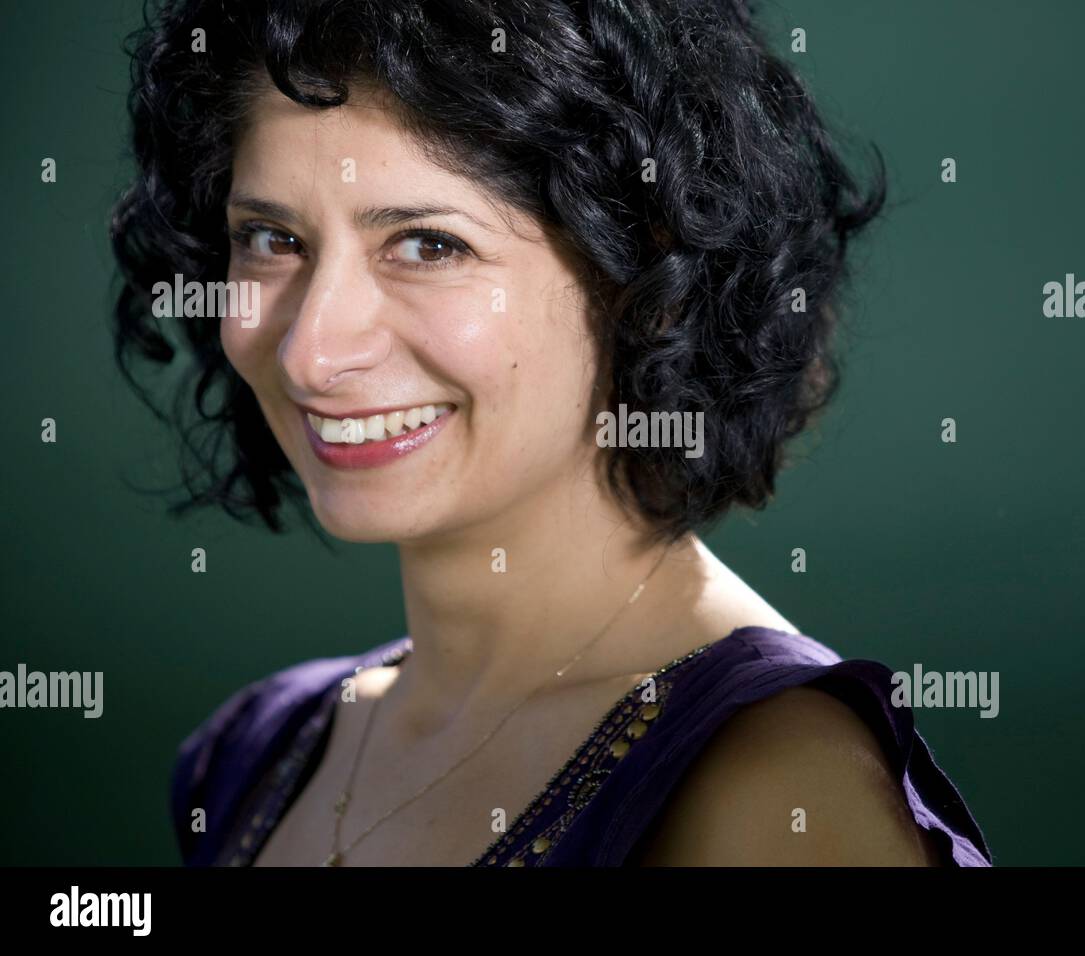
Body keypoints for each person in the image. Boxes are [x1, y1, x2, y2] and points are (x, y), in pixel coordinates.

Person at [111, 0, 992, 867]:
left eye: (426, 246)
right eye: (269, 237)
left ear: (644, 274)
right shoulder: (251, 757)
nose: (310, 352)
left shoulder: (774, 784)